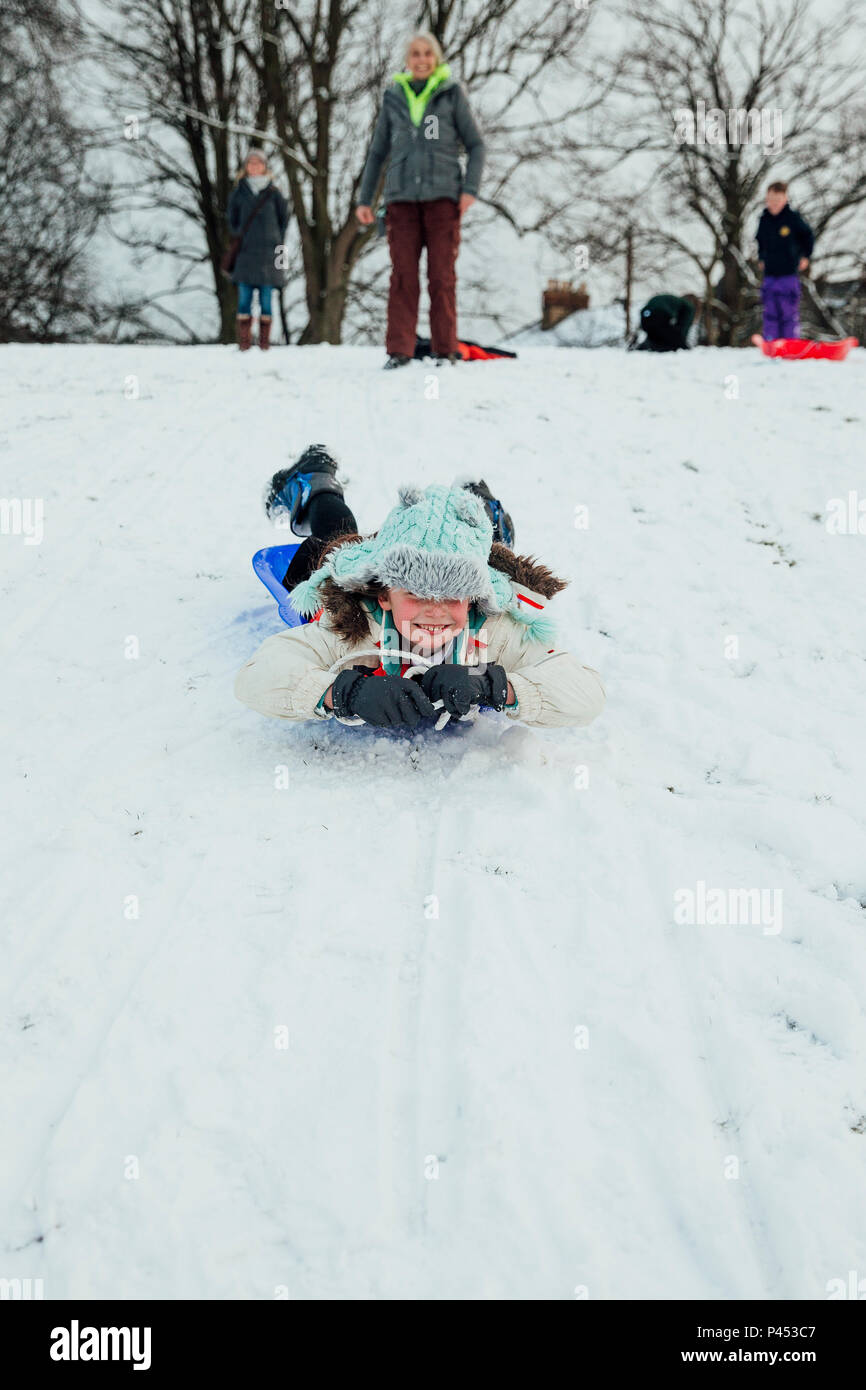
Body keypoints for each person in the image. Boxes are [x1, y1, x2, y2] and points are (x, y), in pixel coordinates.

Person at [235, 448, 604, 730]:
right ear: (383, 593)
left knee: (482, 543)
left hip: (448, 555)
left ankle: (478, 505)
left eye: (452, 594)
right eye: (415, 593)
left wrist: (491, 686)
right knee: (331, 540)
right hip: (381, 555)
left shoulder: (492, 628)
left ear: (474, 595)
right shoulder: (352, 624)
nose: (435, 610)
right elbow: (256, 675)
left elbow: (586, 691)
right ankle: (317, 480)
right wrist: (344, 694)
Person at [355, 32, 485, 370]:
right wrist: (365, 199)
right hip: (401, 200)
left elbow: (476, 145)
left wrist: (469, 189)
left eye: (428, 53)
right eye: (415, 53)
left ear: (436, 58)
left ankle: (445, 350)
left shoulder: (450, 95)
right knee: (402, 277)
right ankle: (400, 350)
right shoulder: (393, 97)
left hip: (443, 200)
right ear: (407, 59)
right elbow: (378, 151)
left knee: (441, 277)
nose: (422, 59)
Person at [226, 147, 289, 351]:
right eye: (251, 163)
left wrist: (275, 239)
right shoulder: (238, 193)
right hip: (245, 253)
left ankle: (264, 344)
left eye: (258, 163)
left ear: (264, 167)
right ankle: (244, 343)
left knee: (266, 299)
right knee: (244, 299)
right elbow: (232, 220)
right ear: (246, 167)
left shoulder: (275, 194)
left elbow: (284, 220)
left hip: (269, 254)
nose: (254, 166)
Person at [755, 181, 814, 340]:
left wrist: (805, 256)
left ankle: (789, 342)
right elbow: (760, 241)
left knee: (788, 311)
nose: (773, 204)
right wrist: (761, 257)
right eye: (770, 200)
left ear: (785, 199)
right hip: (770, 273)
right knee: (770, 310)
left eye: (777, 200)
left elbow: (808, 236)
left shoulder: (793, 218)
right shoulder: (764, 220)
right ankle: (772, 341)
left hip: (788, 273)